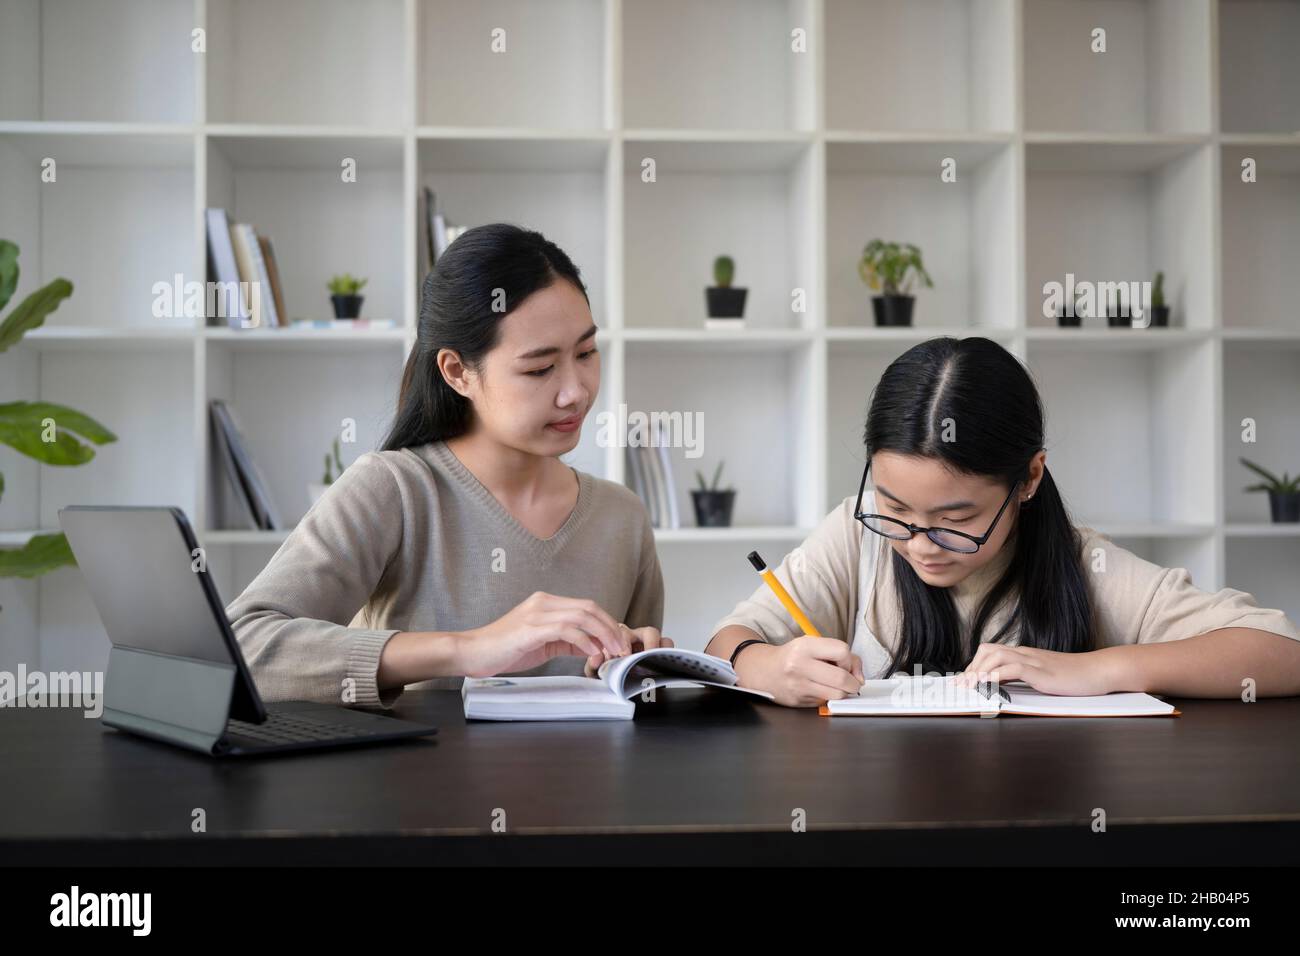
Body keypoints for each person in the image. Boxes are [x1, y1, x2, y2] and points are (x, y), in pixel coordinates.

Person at [706, 336, 1300, 707]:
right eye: (895, 509)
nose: (919, 545)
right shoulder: (857, 538)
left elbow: (1281, 650)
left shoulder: (1081, 563)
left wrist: (1096, 670)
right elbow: (725, 641)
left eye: (953, 519)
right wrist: (767, 667)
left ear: (1029, 479)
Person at [227, 223, 669, 709]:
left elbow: (633, 709)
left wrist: (635, 667)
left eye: (586, 353)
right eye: (539, 368)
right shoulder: (394, 490)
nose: (576, 391)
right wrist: (470, 648)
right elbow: (243, 648)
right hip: (419, 784)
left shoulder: (621, 518)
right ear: (457, 372)